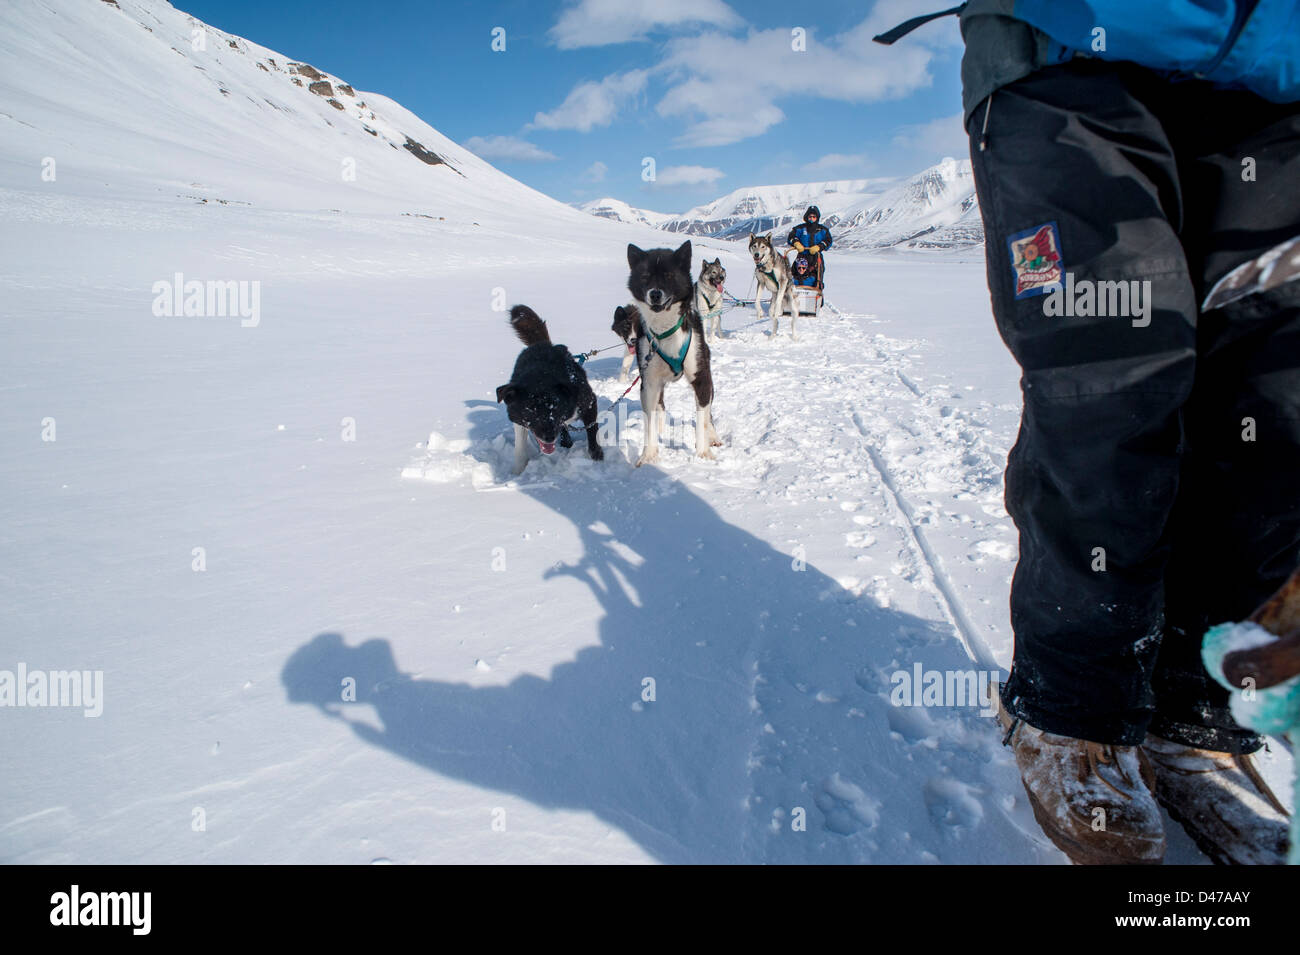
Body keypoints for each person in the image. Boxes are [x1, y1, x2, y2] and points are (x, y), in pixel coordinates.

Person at [877, 2, 1300, 864]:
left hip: (1277, 81)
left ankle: (1193, 708)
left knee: (1276, 407)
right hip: (1065, 52)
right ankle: (1068, 710)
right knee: (1110, 379)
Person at [787, 206, 831, 288]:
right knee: (795, 274)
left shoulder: (822, 230)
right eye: (810, 216)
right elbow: (791, 237)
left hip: (816, 257)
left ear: (817, 218)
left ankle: (817, 294)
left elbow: (828, 241)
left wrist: (819, 247)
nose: (811, 218)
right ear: (807, 217)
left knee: (817, 279)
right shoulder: (800, 228)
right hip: (802, 256)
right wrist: (796, 243)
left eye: (814, 217)